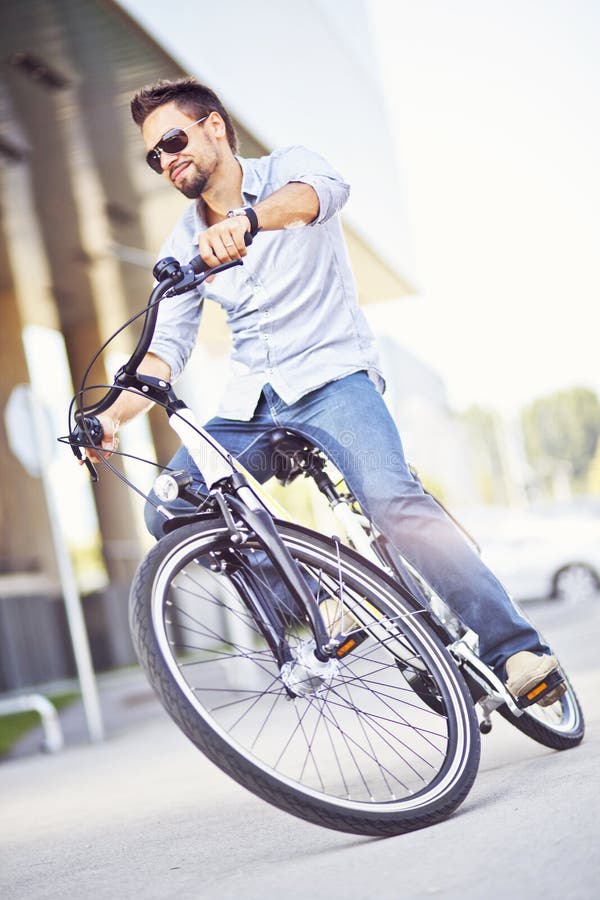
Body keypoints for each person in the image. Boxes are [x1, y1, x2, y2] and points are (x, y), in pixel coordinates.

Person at [92, 77, 564, 707]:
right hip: (250, 406)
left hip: (333, 379)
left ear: (213, 126)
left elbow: (320, 196)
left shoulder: (289, 166)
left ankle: (516, 650)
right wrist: (110, 418)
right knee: (170, 508)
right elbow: (164, 353)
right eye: (154, 155)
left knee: (393, 501)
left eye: (173, 139)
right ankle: (327, 599)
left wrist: (247, 221)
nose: (166, 159)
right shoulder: (180, 243)